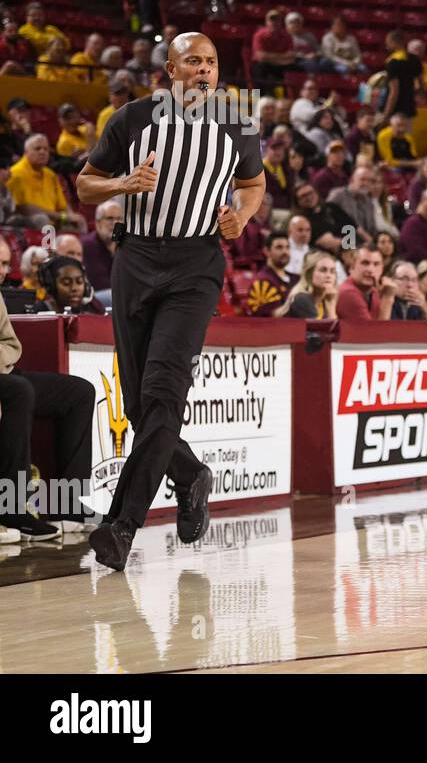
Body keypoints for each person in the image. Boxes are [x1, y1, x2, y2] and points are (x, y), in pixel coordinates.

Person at [75, 32, 267, 570]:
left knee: (163, 391)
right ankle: (190, 475)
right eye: (193, 62)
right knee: (138, 404)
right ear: (170, 70)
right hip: (135, 260)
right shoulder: (131, 118)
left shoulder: (236, 124)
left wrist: (243, 214)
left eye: (211, 63)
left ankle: (121, 526)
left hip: (196, 266)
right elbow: (84, 185)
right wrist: (123, 183)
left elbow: (254, 183)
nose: (204, 70)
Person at [0, 294, 95, 540]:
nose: (2, 271)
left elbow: (11, 344)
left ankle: (69, 504)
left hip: (3, 369)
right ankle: (11, 506)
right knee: (19, 391)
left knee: (79, 392)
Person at [335, 244, 395, 321]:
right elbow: (373, 332)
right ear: (351, 267)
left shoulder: (373, 291)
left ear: (382, 269)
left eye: (376, 264)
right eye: (365, 263)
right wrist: (387, 298)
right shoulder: (347, 293)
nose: (370, 270)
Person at [276, 249, 339, 319]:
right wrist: (331, 306)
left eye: (332, 271)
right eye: (323, 270)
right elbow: (321, 328)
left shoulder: (325, 300)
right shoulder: (301, 299)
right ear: (309, 274)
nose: (328, 275)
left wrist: (331, 303)